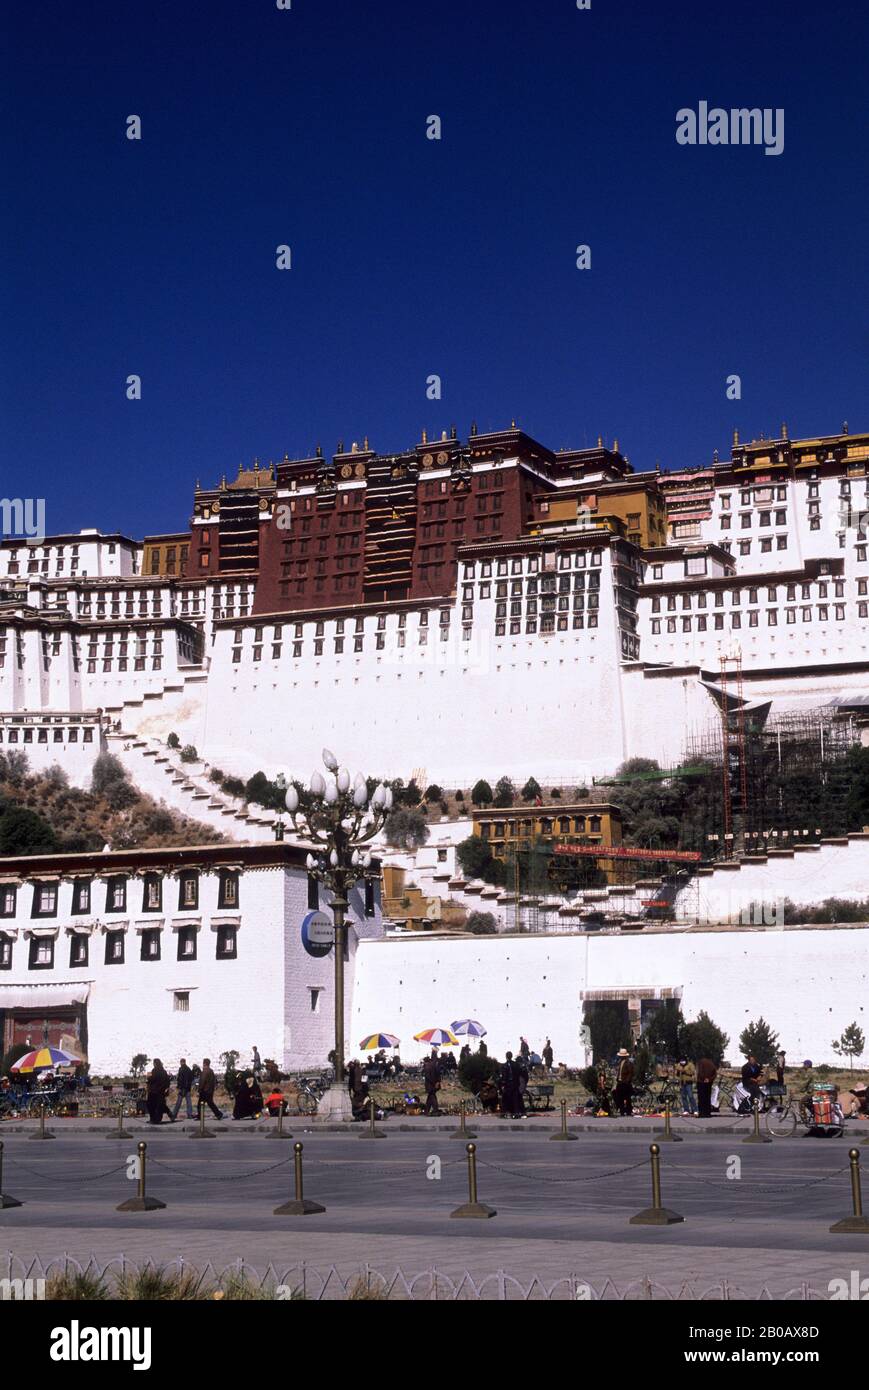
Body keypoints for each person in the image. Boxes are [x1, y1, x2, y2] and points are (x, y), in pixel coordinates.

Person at [146, 1059, 172, 1125]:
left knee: (151, 1105)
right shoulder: (163, 1071)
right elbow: (167, 1081)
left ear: (155, 1063)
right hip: (161, 1091)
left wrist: (148, 1078)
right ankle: (166, 1115)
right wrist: (166, 1088)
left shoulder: (155, 1071)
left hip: (154, 1091)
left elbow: (153, 1079)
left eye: (153, 1063)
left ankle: (154, 1119)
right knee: (160, 1105)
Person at [500, 1052, 525, 1118]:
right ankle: (513, 1112)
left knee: (509, 1099)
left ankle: (509, 1112)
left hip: (510, 1084)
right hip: (512, 1084)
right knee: (513, 1099)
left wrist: (503, 1084)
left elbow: (503, 1076)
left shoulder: (506, 1065)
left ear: (506, 1056)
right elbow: (519, 1073)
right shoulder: (514, 1064)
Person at [614, 1048, 635, 1117]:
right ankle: (622, 1111)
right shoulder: (621, 1062)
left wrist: (627, 1081)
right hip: (620, 1082)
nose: (620, 1056)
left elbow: (630, 1073)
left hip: (625, 1083)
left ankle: (628, 1111)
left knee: (627, 1097)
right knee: (620, 1097)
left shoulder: (628, 1063)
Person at [422, 1050, 441, 1116]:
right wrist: (437, 1082)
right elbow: (437, 1074)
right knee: (431, 1096)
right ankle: (430, 1110)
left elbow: (429, 1076)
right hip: (432, 1084)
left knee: (431, 1096)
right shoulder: (434, 1064)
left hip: (430, 1084)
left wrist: (436, 1082)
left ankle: (431, 1110)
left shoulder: (429, 1065)